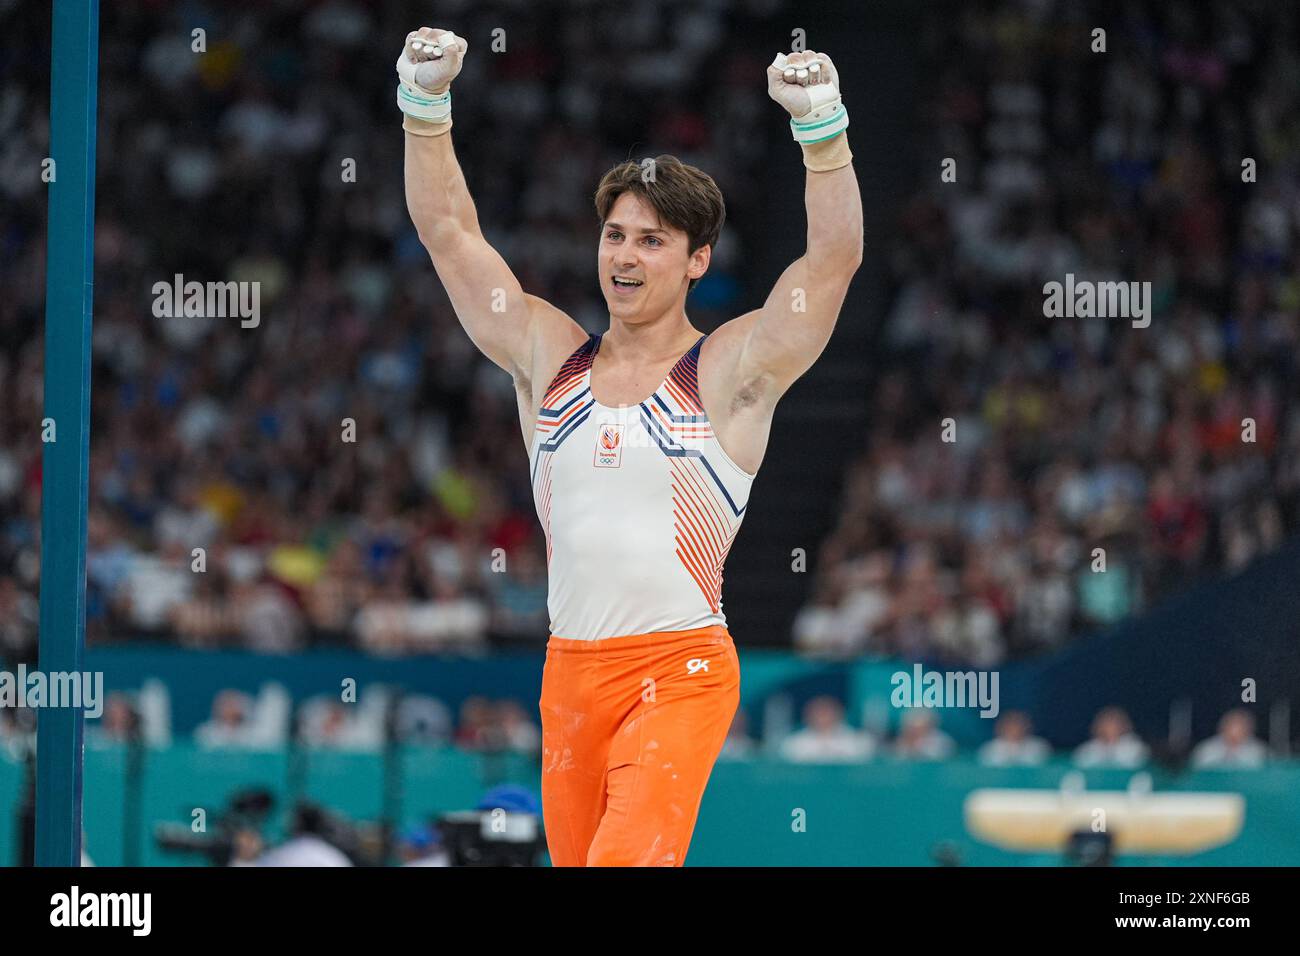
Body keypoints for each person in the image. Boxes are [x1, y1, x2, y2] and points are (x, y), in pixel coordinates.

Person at [400, 28, 861, 865]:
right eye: (615, 235)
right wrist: (424, 109)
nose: (626, 255)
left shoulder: (728, 371)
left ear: (697, 261)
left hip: (680, 666)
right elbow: (449, 234)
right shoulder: (549, 358)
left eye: (652, 241)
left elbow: (831, 264)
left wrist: (822, 132)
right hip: (568, 677)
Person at [1190, 708, 1268, 769]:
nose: (1234, 733)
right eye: (1231, 726)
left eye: (1241, 728)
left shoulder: (1259, 751)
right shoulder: (1206, 748)